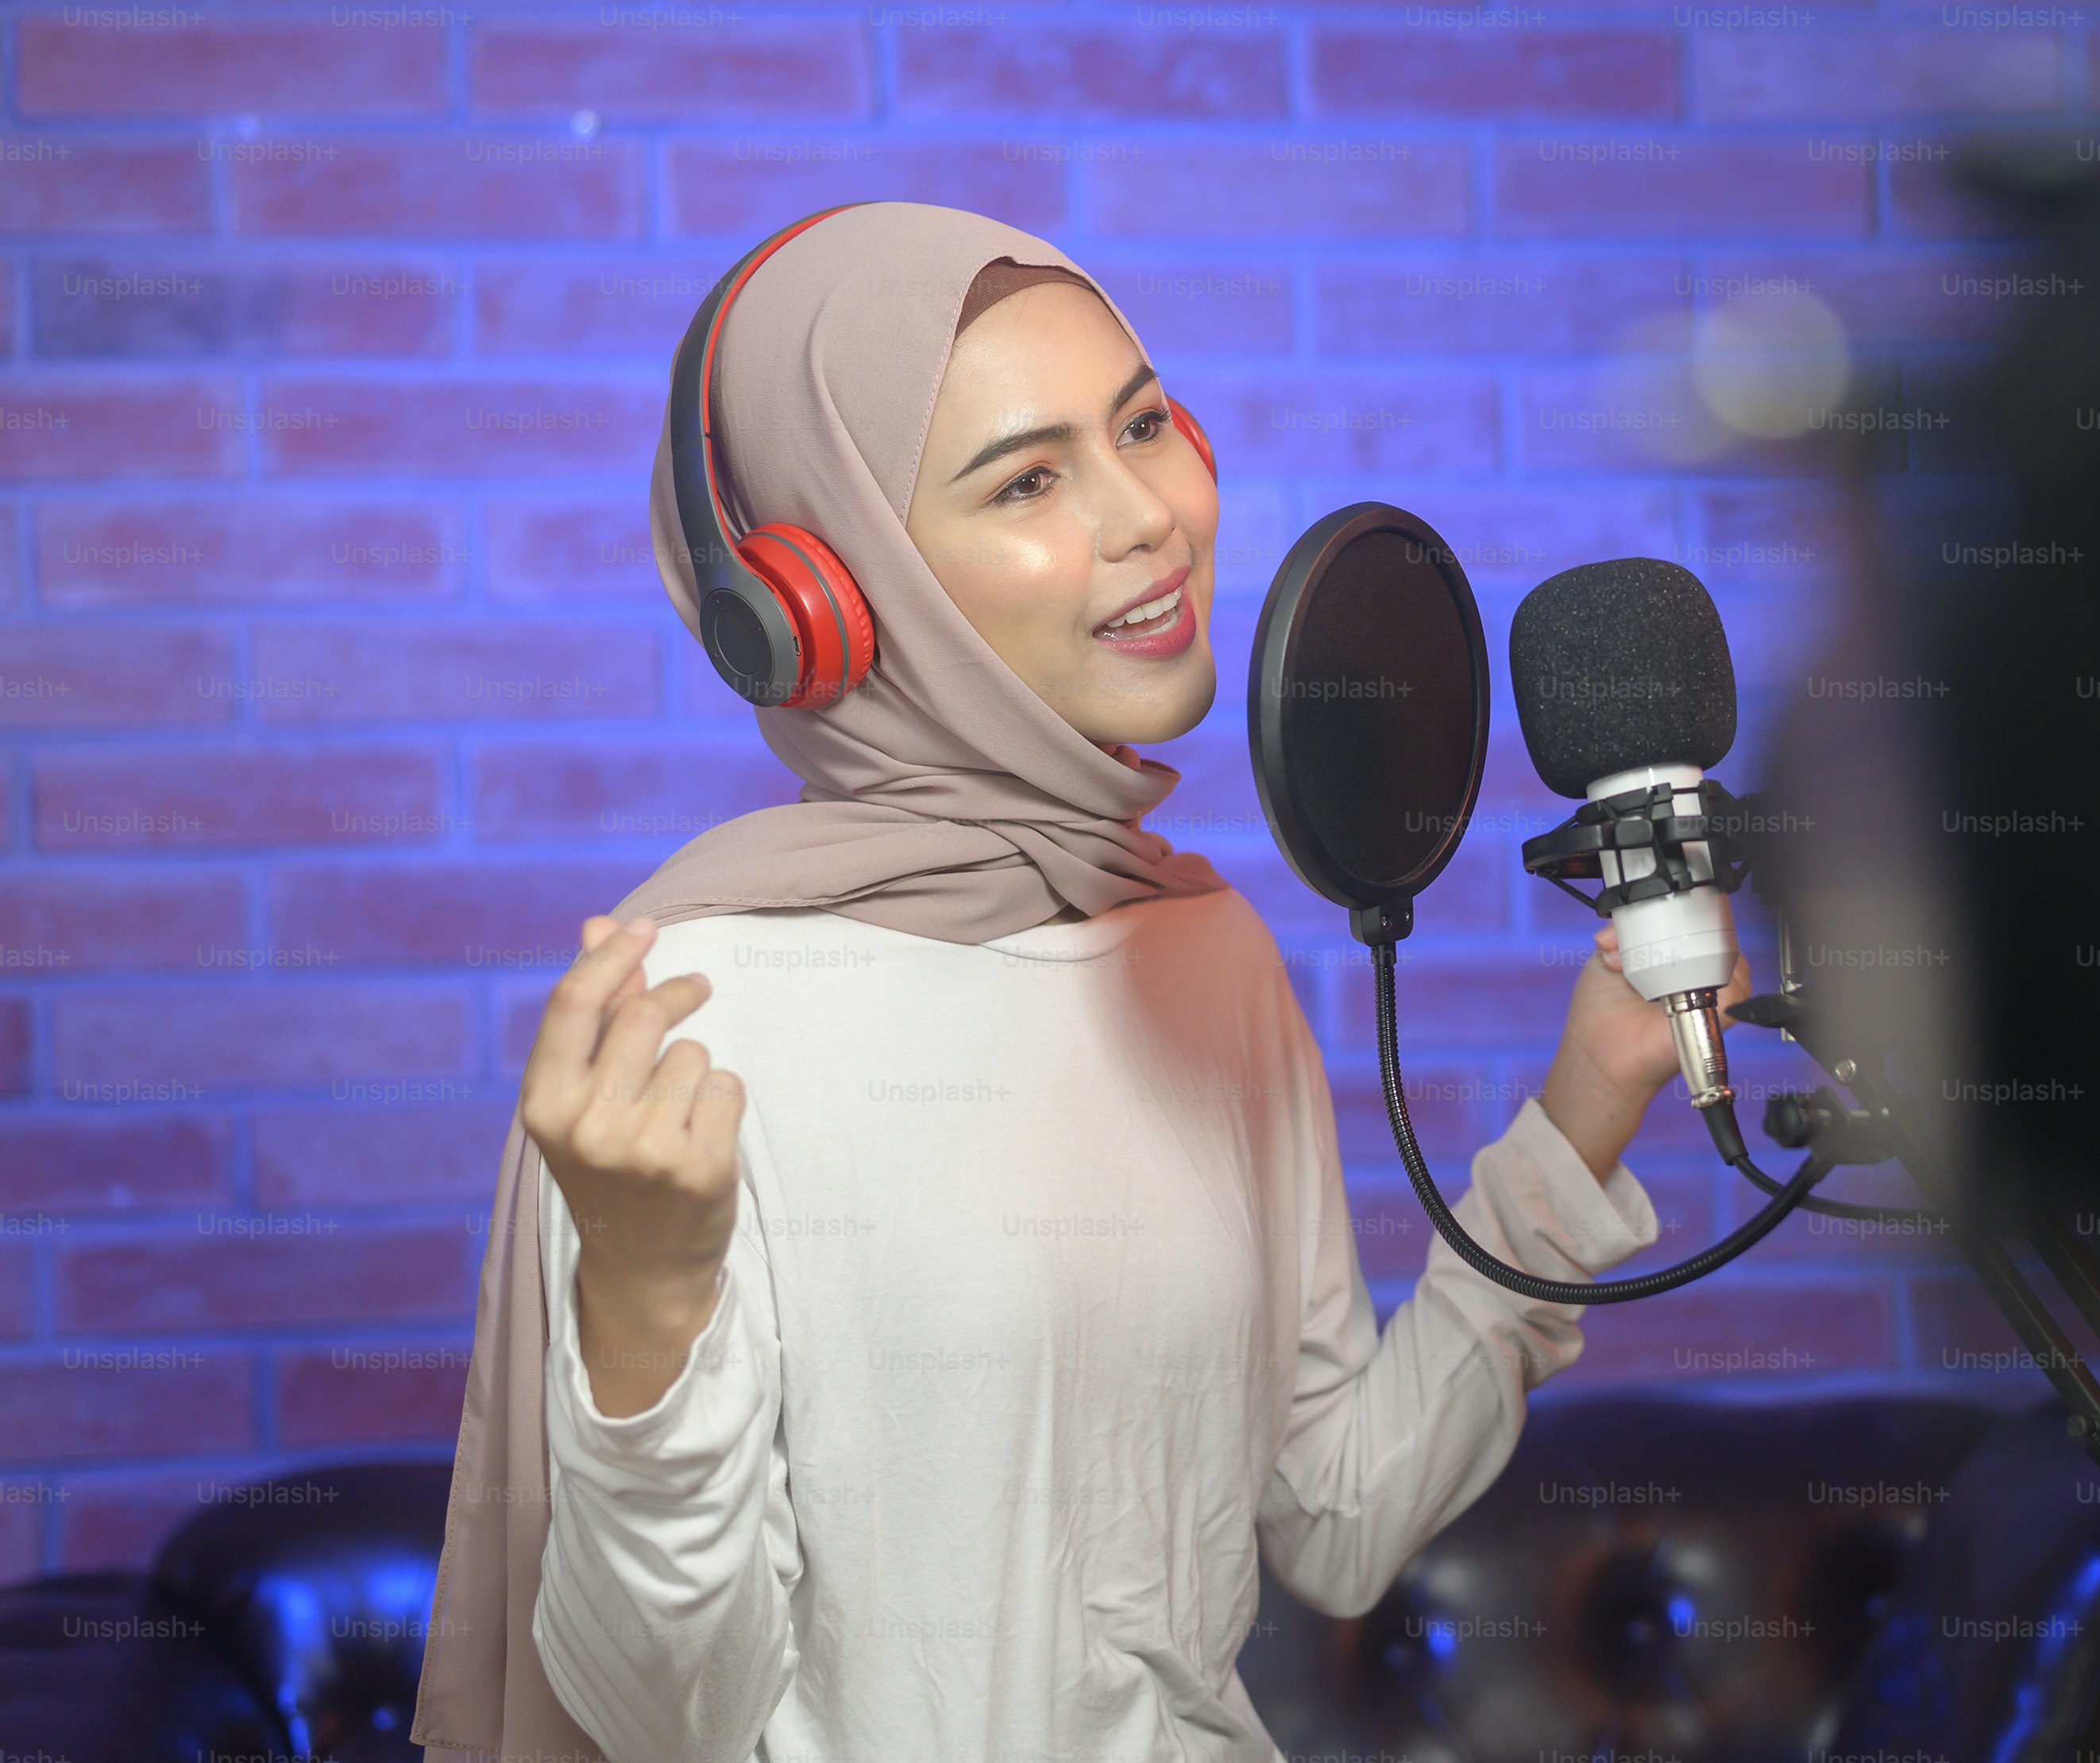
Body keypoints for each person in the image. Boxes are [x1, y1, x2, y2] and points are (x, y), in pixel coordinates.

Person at [411, 202, 1745, 1763]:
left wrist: (1587, 1101)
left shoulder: (1208, 952)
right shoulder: (688, 1014)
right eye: (1028, 479)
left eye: (1142, 427)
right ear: (826, 601)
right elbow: (665, 1722)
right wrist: (639, 1293)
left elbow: (1334, 1517)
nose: (1148, 519)